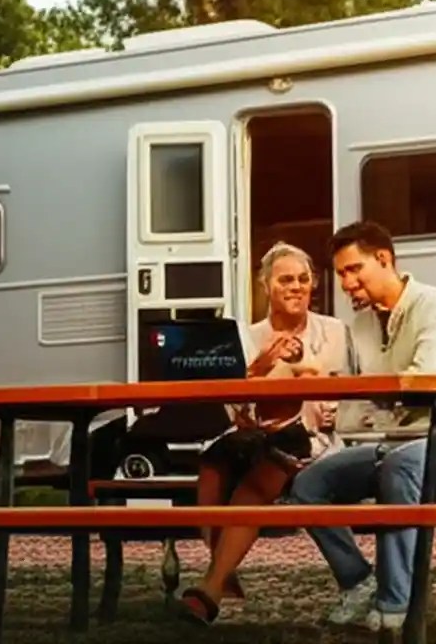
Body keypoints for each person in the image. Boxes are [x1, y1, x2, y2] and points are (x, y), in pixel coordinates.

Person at [285, 220, 436, 634]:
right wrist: (331, 393)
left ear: (384, 259)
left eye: (354, 270)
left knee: (399, 470)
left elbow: (419, 382)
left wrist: (354, 397)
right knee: (308, 485)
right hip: (390, 443)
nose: (346, 283)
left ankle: (396, 608)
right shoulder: (362, 324)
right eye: (340, 274)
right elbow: (358, 397)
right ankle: (358, 581)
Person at [175, 241, 351, 623]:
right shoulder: (246, 336)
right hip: (253, 436)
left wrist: (314, 379)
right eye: (286, 279)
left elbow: (346, 394)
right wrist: (258, 368)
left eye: (304, 279)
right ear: (266, 286)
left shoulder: (334, 331)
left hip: (305, 440)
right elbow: (231, 409)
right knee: (212, 465)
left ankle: (211, 588)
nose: (296, 287)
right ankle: (222, 569)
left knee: (261, 477)